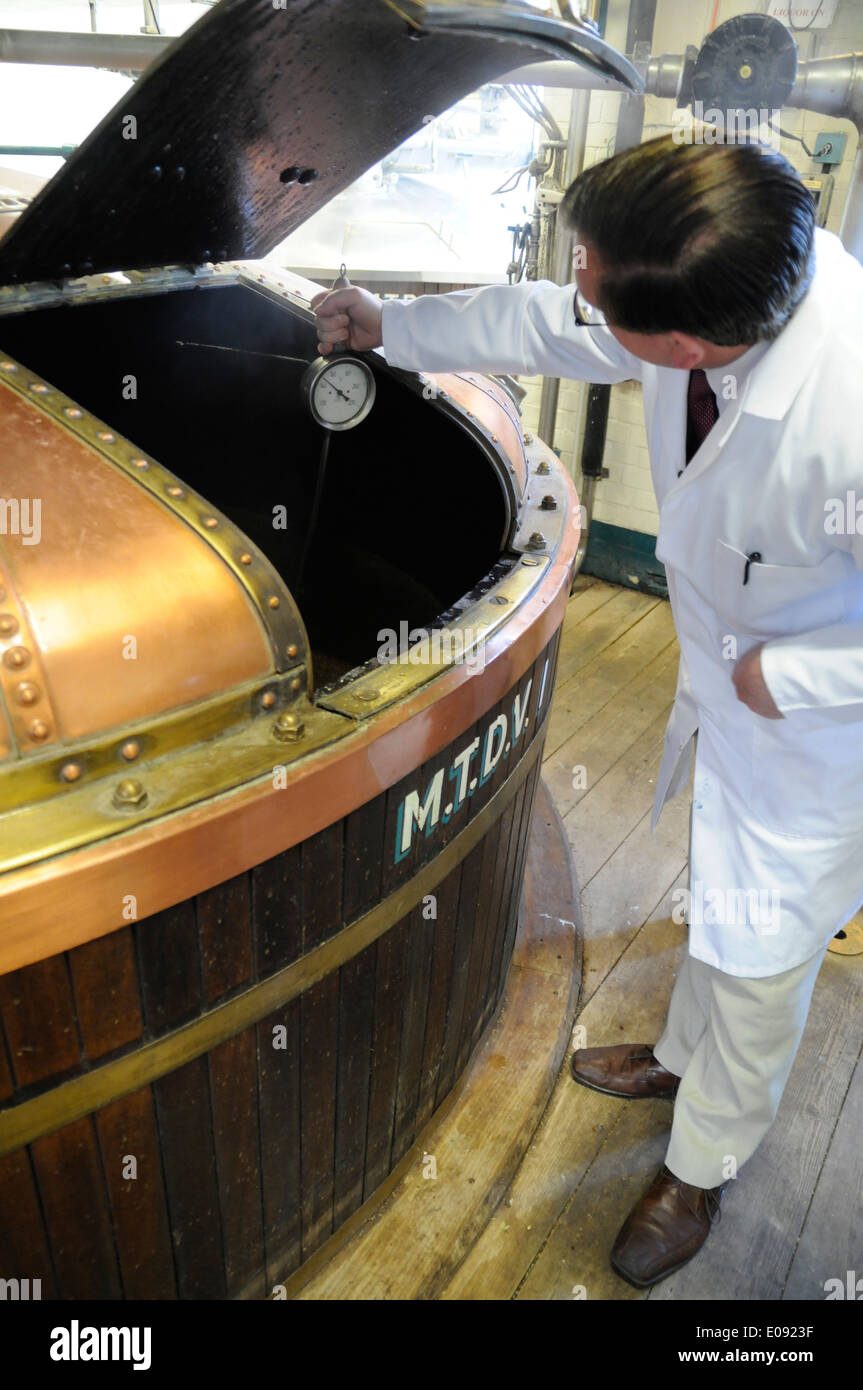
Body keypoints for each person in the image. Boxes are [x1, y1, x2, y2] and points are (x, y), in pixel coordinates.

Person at [312, 134, 863, 1289]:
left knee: (763, 951)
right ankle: (677, 1057)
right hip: (735, 688)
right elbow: (539, 322)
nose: (578, 296)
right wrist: (388, 327)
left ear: (690, 344)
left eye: (596, 287)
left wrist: (797, 679)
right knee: (719, 887)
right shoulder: (722, 294)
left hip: (823, 735)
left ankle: (702, 1162)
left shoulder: (848, 407)